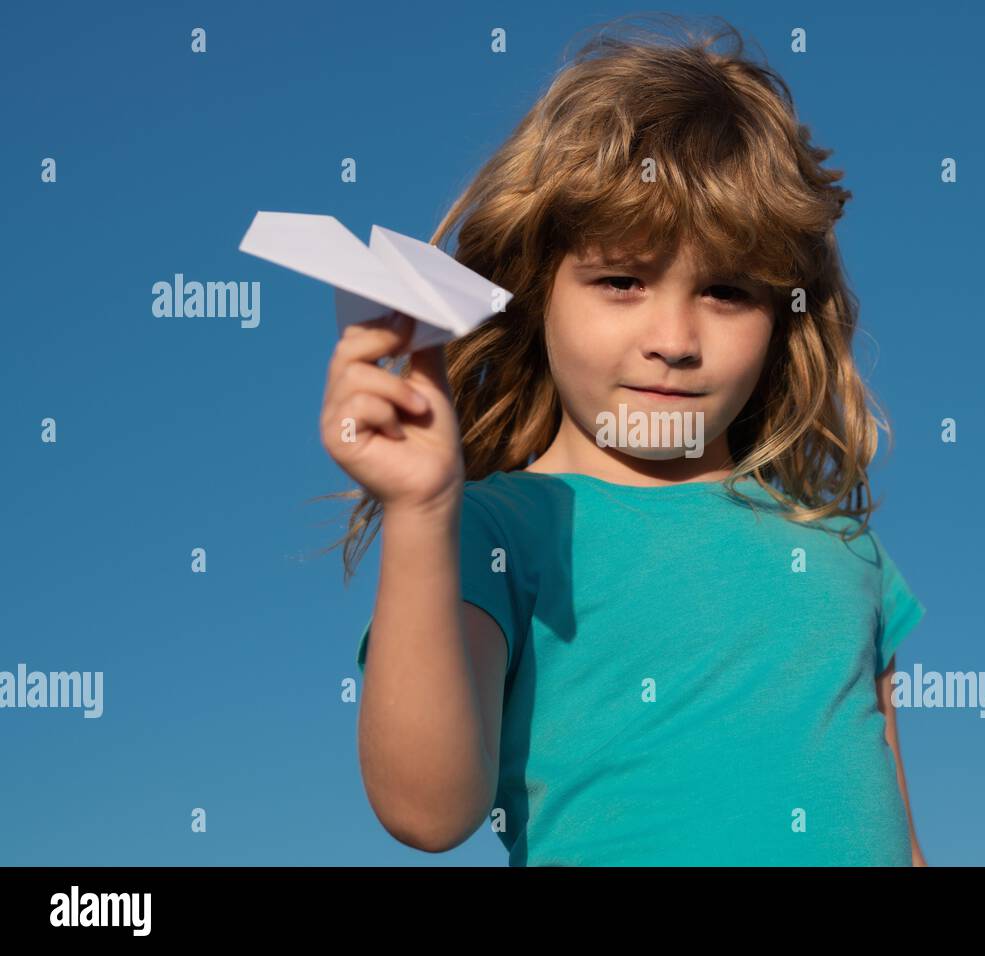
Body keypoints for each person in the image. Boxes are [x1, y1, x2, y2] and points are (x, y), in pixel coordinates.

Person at [319, 16, 928, 866]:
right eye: (622, 280)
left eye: (726, 291)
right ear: (535, 293)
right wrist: (422, 511)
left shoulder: (840, 552)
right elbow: (428, 810)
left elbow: (900, 840)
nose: (673, 337)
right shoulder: (498, 528)